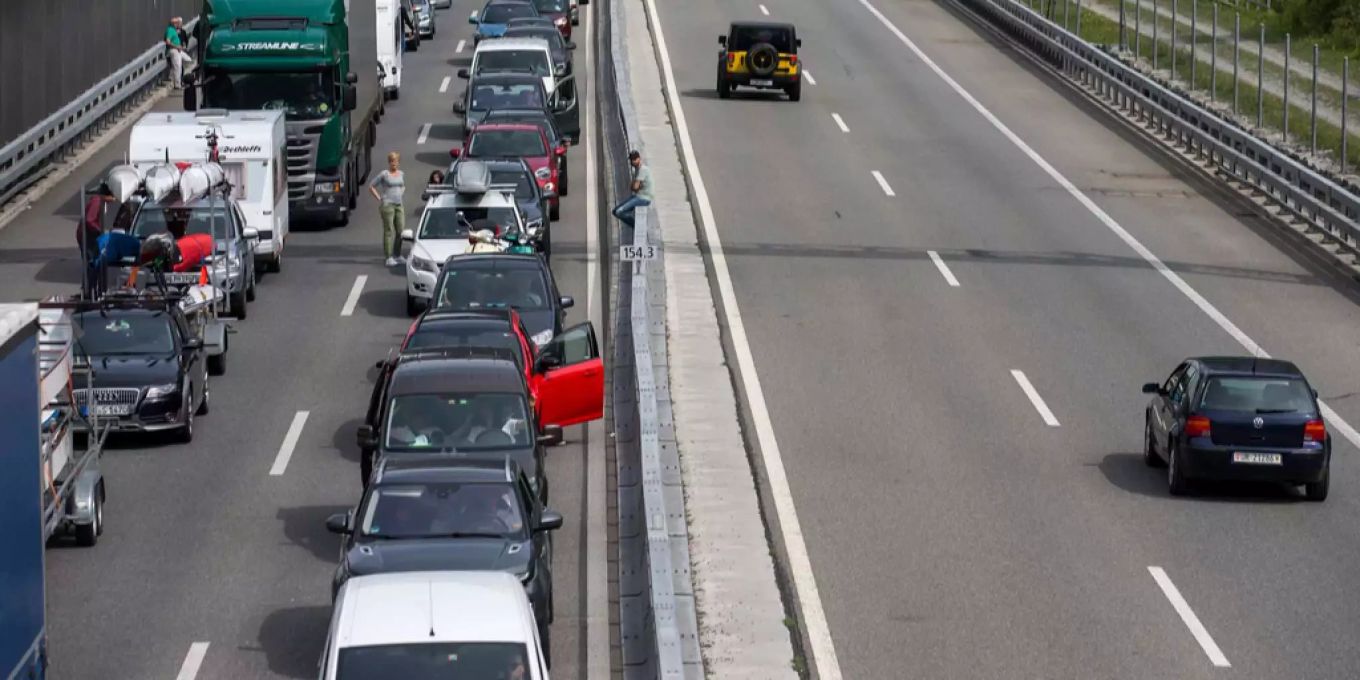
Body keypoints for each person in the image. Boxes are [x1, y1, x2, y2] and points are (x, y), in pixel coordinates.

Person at [369, 152, 408, 266]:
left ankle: (397, 255)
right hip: (387, 205)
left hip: (399, 204)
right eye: (391, 161)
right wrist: (379, 197)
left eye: (395, 161)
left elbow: (403, 185)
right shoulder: (384, 174)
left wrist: (401, 193)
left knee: (400, 230)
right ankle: (388, 257)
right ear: (389, 162)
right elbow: (371, 186)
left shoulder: (401, 174)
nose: (393, 163)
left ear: (398, 162)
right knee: (389, 230)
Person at [80, 185, 116, 297]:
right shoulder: (97, 202)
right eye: (113, 197)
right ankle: (89, 291)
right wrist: (100, 231)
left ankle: (93, 290)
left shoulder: (101, 202)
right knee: (92, 264)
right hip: (88, 237)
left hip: (91, 236)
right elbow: (90, 220)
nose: (114, 200)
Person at [611, 150, 653, 227]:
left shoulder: (643, 170)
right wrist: (636, 186)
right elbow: (632, 187)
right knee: (615, 211)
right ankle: (636, 224)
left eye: (634, 159)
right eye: (631, 160)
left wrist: (636, 186)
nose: (632, 162)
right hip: (638, 196)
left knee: (619, 212)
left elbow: (635, 187)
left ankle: (637, 226)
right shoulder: (636, 170)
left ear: (639, 159)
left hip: (644, 198)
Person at [165, 17, 196, 88]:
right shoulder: (170, 30)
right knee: (178, 67)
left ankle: (185, 79)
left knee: (189, 60)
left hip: (178, 50)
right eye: (177, 23)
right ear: (173, 24)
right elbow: (168, 41)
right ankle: (177, 84)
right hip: (174, 50)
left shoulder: (174, 30)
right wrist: (177, 46)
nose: (178, 24)